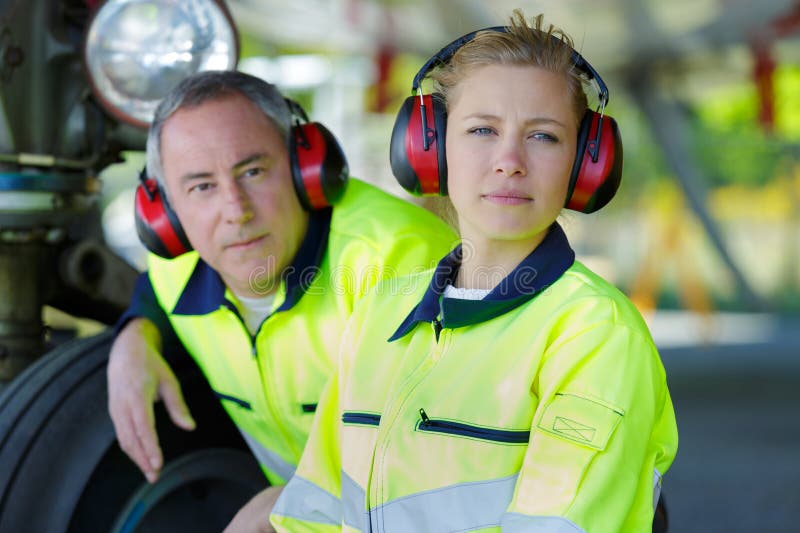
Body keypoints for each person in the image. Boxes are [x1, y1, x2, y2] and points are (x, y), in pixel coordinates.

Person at [271, 10, 678, 533]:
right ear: (431, 150)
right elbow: (314, 509)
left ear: (585, 165)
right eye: (482, 129)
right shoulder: (380, 311)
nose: (509, 160)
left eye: (545, 137)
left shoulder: (595, 333)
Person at [106, 70, 457, 531]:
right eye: (201, 187)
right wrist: (135, 334)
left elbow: (434, 445)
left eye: (253, 171)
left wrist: (295, 498)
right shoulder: (174, 268)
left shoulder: (399, 260)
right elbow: (155, 290)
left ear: (307, 168)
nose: (236, 210)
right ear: (166, 214)